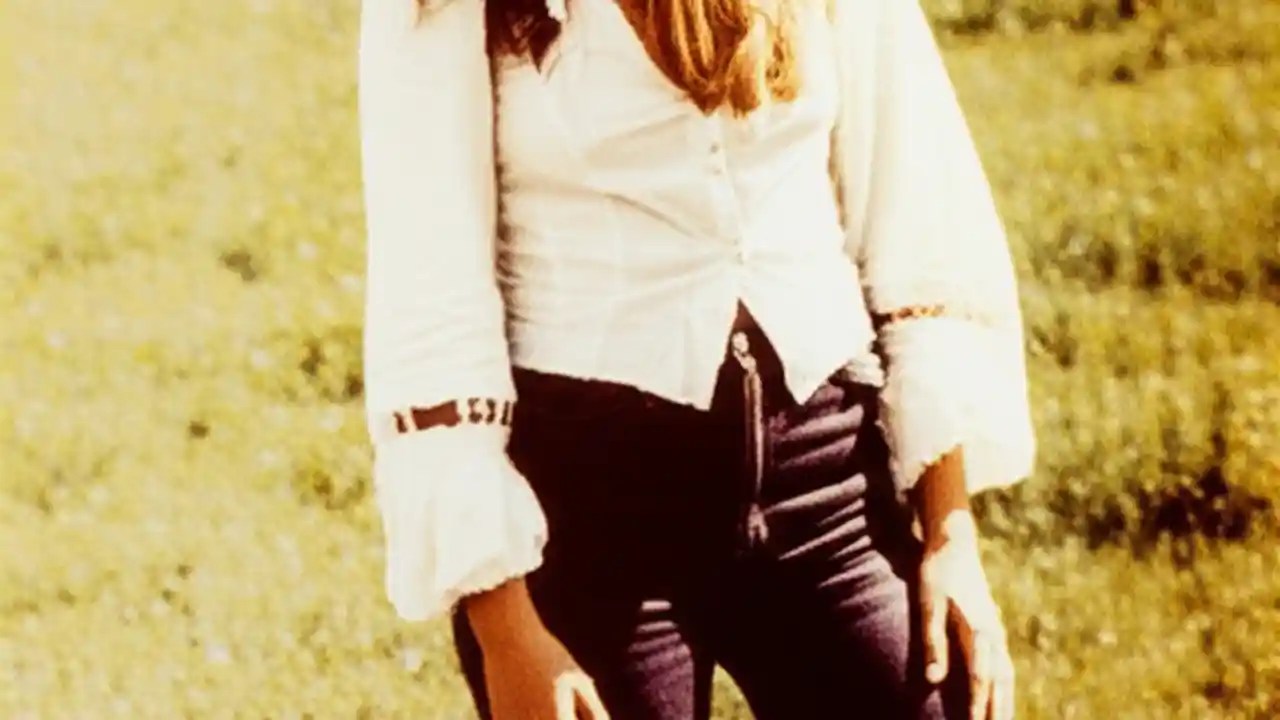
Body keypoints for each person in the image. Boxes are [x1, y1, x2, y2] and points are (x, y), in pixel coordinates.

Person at [356, 0, 1036, 716]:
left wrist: (950, 535)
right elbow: (430, 303)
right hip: (588, 534)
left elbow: (916, 211)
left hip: (830, 496)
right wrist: (507, 629)